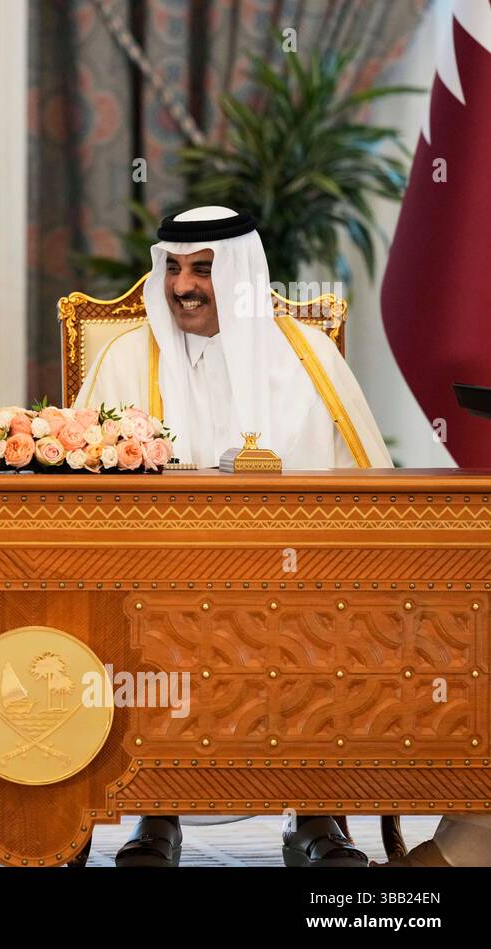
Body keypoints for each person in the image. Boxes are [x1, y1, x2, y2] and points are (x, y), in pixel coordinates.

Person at [77, 205, 391, 867]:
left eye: (203, 270)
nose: (183, 285)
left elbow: (365, 492)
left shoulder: (310, 362)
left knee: (327, 619)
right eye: (174, 268)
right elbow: (83, 496)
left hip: (293, 580)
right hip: (158, 578)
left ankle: (315, 816)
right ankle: (153, 813)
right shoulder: (127, 359)